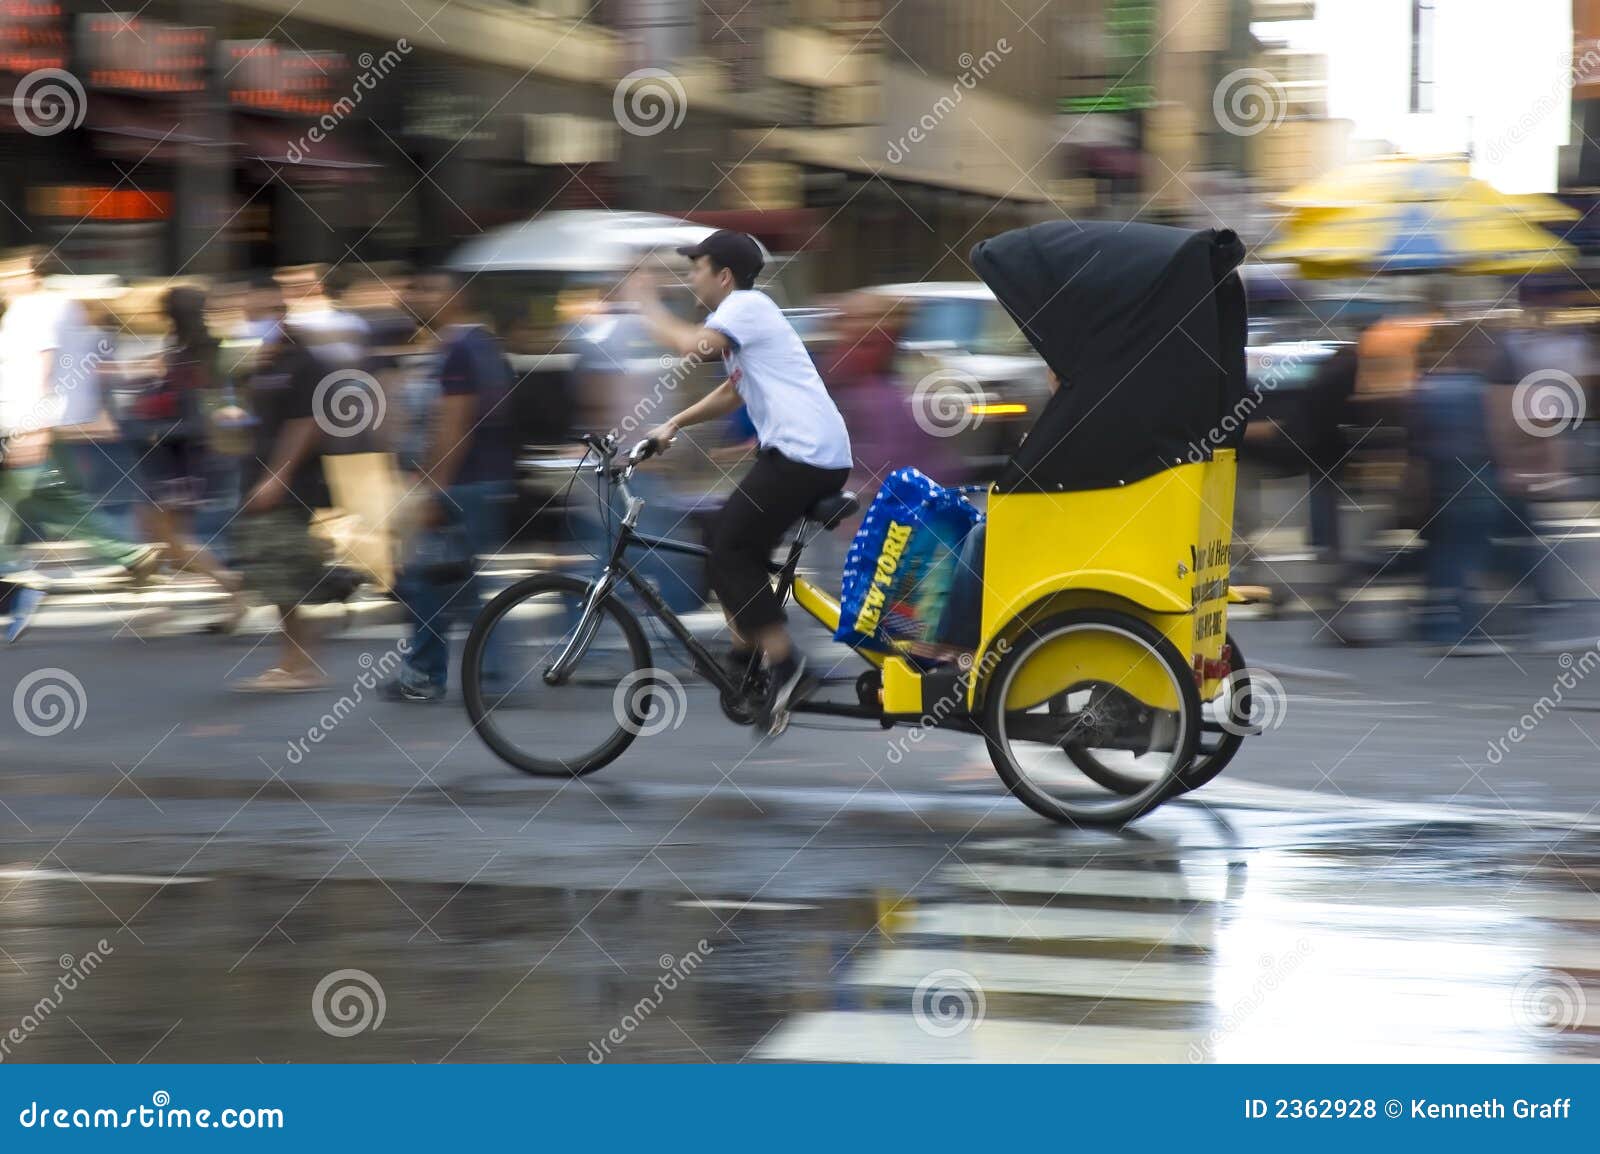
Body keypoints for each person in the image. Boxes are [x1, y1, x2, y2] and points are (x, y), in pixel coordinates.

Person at [628, 230, 852, 733]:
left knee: (729, 549)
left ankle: (788, 666)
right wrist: (674, 424)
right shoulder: (744, 317)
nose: (692, 278)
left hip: (803, 455)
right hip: (808, 454)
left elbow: (692, 346)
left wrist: (644, 303)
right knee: (723, 539)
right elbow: (734, 393)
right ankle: (745, 656)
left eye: (697, 268)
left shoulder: (746, 307)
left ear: (723, 276)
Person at [0, 251, 159, 642]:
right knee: (53, 499)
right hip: (34, 424)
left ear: (33, 277)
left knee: (42, 499)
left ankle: (13, 589)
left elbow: (42, 368)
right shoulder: (54, 309)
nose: (4, 281)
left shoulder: (31, 312)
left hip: (24, 425)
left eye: (12, 274)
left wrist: (33, 426)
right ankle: (129, 553)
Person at [383, 268, 515, 702]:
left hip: (461, 483)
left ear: (459, 296)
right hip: (482, 480)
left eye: (432, 289)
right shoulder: (481, 344)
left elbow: (454, 425)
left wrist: (433, 488)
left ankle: (443, 675)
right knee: (449, 580)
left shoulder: (459, 349)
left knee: (435, 581)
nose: (422, 296)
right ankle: (478, 674)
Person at [228, 283, 332, 691]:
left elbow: (307, 424)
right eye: (249, 312)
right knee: (275, 572)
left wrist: (277, 476)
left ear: (281, 313)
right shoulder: (260, 361)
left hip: (291, 481)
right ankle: (296, 659)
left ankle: (299, 664)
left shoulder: (303, 363)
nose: (254, 319)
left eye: (262, 312)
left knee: (281, 571)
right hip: (257, 474)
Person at [127, 285, 246, 629]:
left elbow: (194, 416)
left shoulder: (189, 355)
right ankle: (177, 603)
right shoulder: (199, 349)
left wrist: (157, 425)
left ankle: (232, 588)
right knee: (163, 536)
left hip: (177, 460)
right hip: (182, 457)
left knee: (169, 537)